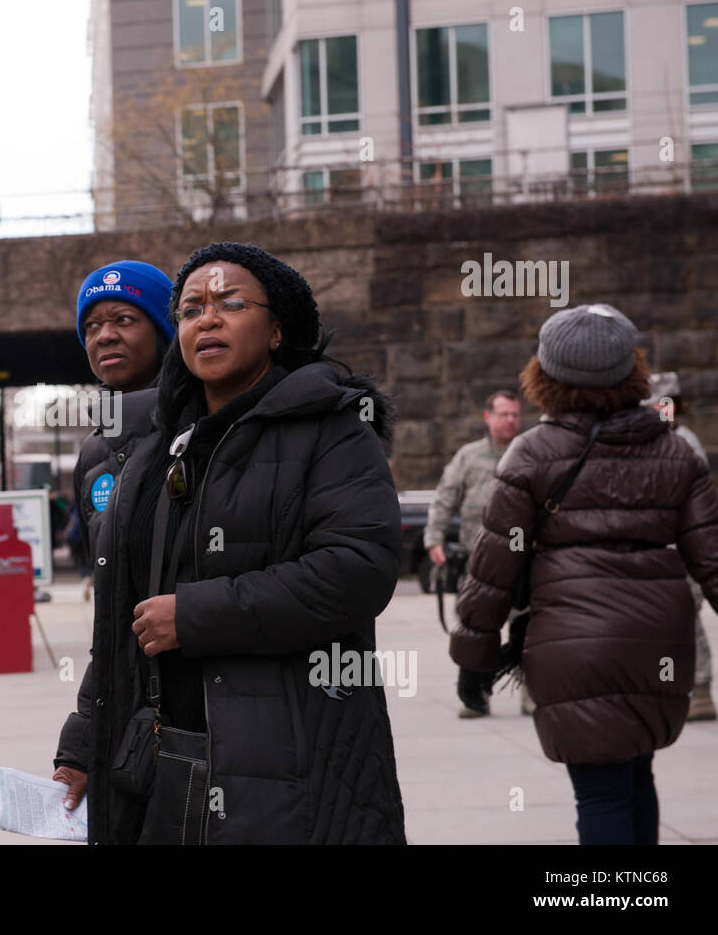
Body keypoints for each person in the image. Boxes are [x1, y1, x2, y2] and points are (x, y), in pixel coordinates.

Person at [53, 242, 406, 844]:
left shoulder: (332, 429)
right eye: (191, 310)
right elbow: (118, 619)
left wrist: (194, 615)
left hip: (293, 764)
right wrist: (82, 744)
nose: (207, 319)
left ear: (276, 330)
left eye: (231, 303)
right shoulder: (156, 449)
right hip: (164, 770)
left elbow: (357, 570)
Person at [452, 304, 718, 846]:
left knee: (600, 793)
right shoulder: (676, 453)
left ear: (544, 375)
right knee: (637, 775)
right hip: (659, 646)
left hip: (572, 649)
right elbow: (711, 559)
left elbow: (494, 571)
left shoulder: (530, 454)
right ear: (632, 371)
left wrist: (474, 662)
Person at [68, 261, 175, 604]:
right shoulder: (93, 452)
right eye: (92, 326)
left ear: (164, 331)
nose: (105, 335)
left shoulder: (202, 426)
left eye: (124, 319)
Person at [423, 390, 523, 718]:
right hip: (477, 561)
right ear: (488, 416)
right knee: (475, 631)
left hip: (523, 560)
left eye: (515, 415)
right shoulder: (469, 456)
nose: (510, 420)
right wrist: (434, 538)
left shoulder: (530, 453)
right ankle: (474, 695)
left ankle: (533, 694)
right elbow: (445, 497)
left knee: (530, 628)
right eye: (504, 413)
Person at [641, 372, 715, 721]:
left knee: (685, 619)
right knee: (660, 624)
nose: (661, 409)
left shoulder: (685, 443)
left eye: (667, 403)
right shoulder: (645, 443)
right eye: (656, 403)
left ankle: (699, 688)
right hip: (655, 550)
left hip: (682, 549)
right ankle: (668, 686)